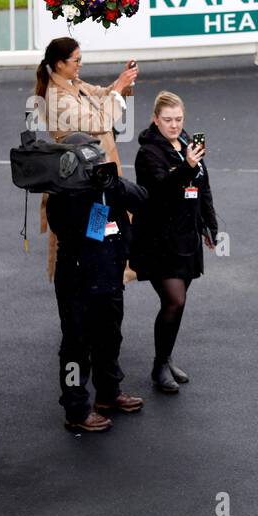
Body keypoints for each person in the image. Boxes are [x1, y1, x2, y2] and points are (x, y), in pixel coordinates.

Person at [46, 134, 148, 432]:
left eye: (100, 159)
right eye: (92, 161)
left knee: (110, 336)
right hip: (77, 280)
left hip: (110, 275)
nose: (98, 165)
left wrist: (112, 183)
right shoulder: (63, 191)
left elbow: (140, 199)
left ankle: (109, 394)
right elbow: (76, 230)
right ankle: (76, 409)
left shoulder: (108, 183)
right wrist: (92, 193)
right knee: (77, 345)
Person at [131, 92, 219, 393]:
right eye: (167, 120)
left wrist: (211, 225)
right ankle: (159, 367)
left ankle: (166, 359)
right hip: (158, 239)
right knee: (174, 300)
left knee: (178, 305)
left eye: (178, 119)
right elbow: (157, 189)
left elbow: (203, 186)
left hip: (187, 237)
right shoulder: (148, 154)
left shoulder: (187, 145)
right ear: (156, 120)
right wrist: (186, 166)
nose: (174, 125)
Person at [33, 38, 138, 281]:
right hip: (83, 179)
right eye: (76, 60)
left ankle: (106, 273)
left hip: (98, 171)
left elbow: (102, 96)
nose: (81, 64)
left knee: (107, 224)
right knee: (94, 226)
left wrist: (123, 81)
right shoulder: (57, 98)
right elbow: (100, 121)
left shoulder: (72, 83)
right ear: (60, 64)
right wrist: (119, 88)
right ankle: (94, 277)